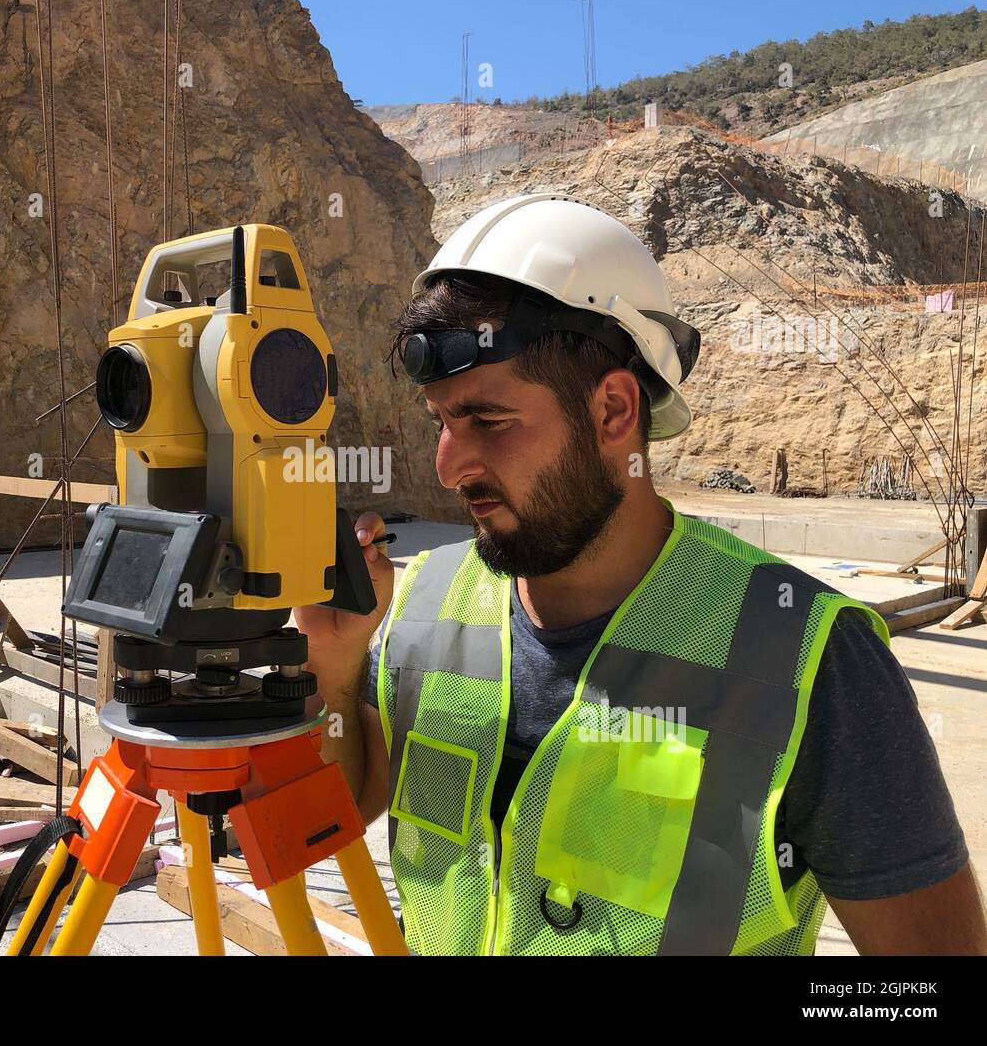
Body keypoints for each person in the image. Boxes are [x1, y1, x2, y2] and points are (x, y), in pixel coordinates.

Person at [294, 194, 985, 956]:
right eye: (441, 423)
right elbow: (348, 802)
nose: (448, 464)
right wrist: (333, 666)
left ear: (614, 411)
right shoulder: (424, 606)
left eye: (486, 422)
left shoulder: (811, 659)